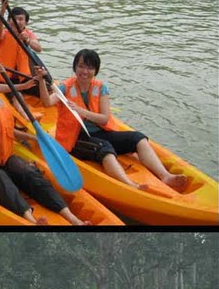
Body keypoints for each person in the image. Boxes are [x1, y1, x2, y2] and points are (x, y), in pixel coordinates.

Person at [0, 64, 93, 225]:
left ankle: (72, 218)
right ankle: (30, 220)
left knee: (28, 172)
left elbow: (7, 130)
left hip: (4, 159)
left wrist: (34, 138)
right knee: (0, 178)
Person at [50, 49, 192, 191]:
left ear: (96, 70)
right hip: (76, 138)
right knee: (104, 147)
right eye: (81, 66)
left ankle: (165, 176)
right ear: (75, 67)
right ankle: (130, 185)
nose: (85, 71)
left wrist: (81, 111)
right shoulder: (64, 87)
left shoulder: (101, 88)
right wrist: (42, 82)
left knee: (138, 138)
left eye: (90, 67)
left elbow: (104, 119)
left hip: (100, 131)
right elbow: (47, 102)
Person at [0, 0, 42, 97]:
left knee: (43, 90)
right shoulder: (4, 33)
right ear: (8, 21)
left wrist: (27, 41)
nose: (17, 22)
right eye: (14, 19)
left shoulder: (28, 34)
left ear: (25, 23)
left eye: (20, 19)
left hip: (23, 76)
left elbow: (38, 48)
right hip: (5, 76)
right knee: (16, 96)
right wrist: (2, 10)